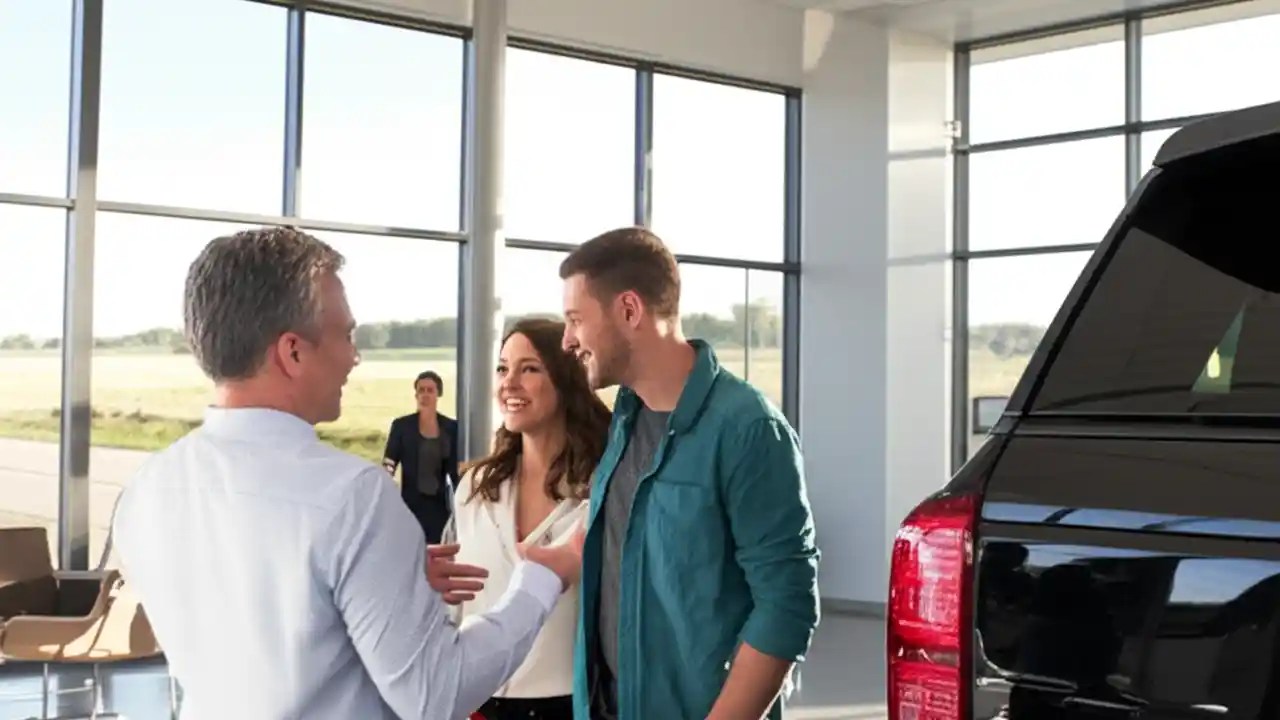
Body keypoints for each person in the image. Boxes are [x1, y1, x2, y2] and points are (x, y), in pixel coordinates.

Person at [110, 227, 583, 720]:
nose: (354, 356)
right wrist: (540, 582)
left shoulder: (144, 491)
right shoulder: (351, 496)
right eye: (346, 334)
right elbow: (434, 696)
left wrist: (376, 578)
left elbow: (247, 613)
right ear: (293, 352)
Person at [558, 226, 820, 720]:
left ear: (629, 310)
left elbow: (786, 607)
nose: (568, 340)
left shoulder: (748, 429)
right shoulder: (626, 415)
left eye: (576, 320)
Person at [436, 317, 612, 720]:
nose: (509, 383)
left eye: (529, 368)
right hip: (477, 706)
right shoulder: (475, 488)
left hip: (571, 706)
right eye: (502, 368)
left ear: (566, 379)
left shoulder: (604, 488)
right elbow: (453, 607)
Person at [383, 370, 460, 543]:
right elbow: (389, 462)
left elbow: (456, 471)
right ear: (416, 394)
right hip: (410, 505)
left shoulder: (451, 428)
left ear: (438, 394)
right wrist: (385, 489)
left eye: (430, 390)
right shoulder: (402, 426)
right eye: (421, 390)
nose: (425, 395)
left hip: (439, 507)